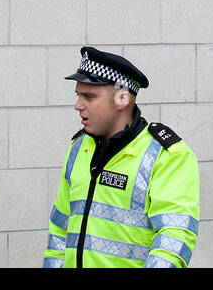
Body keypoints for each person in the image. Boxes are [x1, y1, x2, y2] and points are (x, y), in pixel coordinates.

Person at [44, 47, 200, 267]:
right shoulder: (78, 146)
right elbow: (60, 228)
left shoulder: (168, 155)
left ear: (122, 98)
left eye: (89, 97)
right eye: (78, 95)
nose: (78, 105)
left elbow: (173, 240)